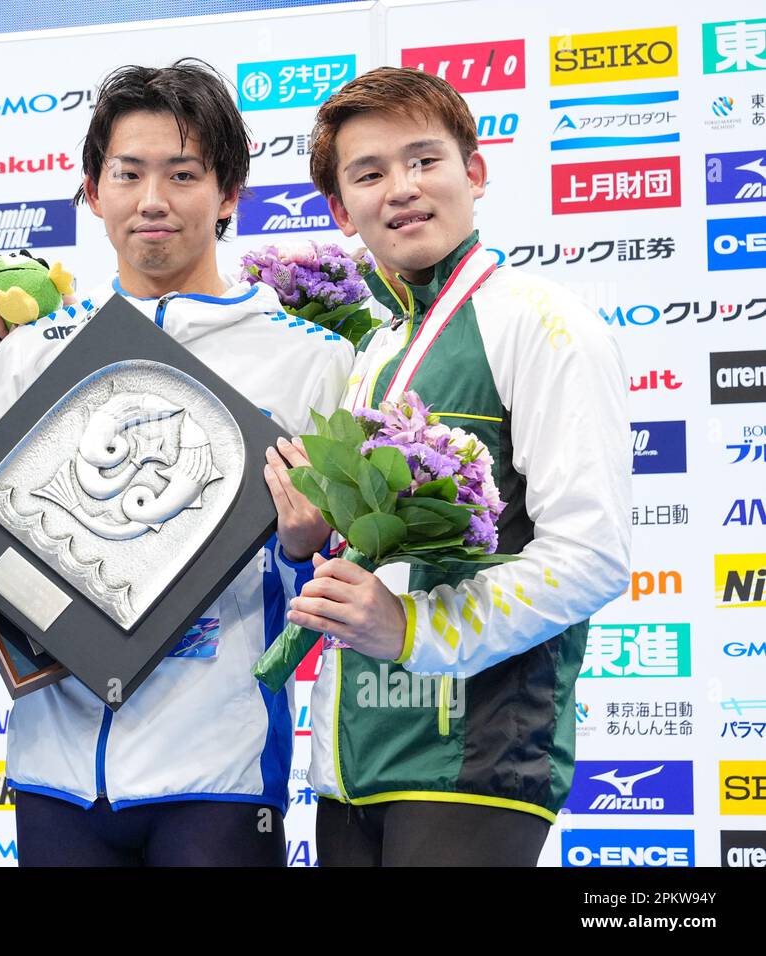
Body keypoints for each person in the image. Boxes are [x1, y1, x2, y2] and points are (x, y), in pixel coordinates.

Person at [0, 59, 354, 866]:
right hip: (52, 773)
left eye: (183, 174)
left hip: (215, 768)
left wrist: (302, 547)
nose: (153, 200)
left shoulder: (310, 361)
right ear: (92, 190)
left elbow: (336, 575)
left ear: (227, 196)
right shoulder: (27, 357)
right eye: (129, 173)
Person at [288, 67, 631, 866]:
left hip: (476, 763)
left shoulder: (544, 324)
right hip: (352, 767)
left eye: (424, 160)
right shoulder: (371, 352)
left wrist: (413, 627)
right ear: (341, 212)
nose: (400, 189)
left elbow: (591, 554)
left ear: (474, 172)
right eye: (369, 174)